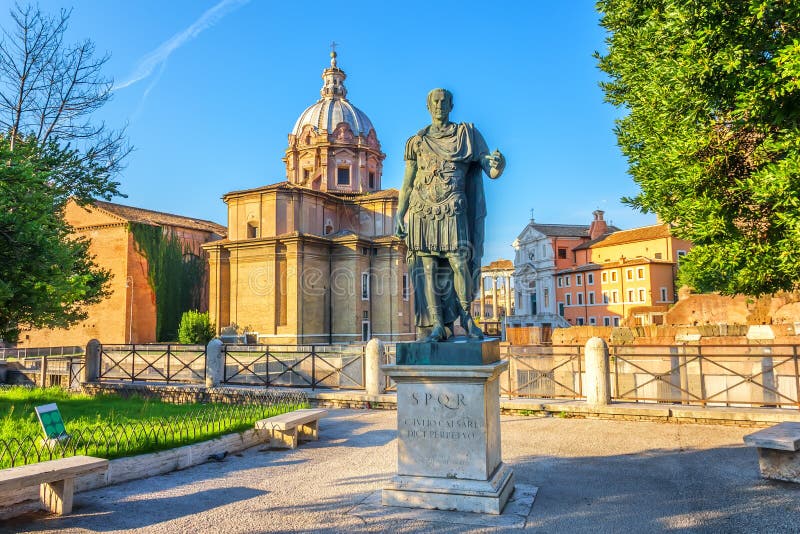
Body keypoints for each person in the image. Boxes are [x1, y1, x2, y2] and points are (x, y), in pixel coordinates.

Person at [395, 88, 505, 342]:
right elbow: (408, 182)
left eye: (444, 101)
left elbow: (491, 169)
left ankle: (466, 318)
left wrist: (499, 164)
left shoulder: (467, 135)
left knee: (459, 262)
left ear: (451, 105)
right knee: (428, 269)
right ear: (427, 106)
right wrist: (400, 213)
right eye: (434, 101)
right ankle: (437, 324)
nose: (439, 105)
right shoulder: (417, 141)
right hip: (421, 209)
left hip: (453, 207)